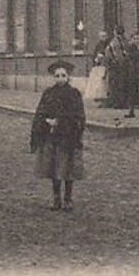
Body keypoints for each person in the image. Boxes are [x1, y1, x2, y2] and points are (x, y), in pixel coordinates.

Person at [30, 60, 86, 211]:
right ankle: (56, 198)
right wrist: (46, 121)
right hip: (52, 137)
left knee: (68, 169)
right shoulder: (48, 93)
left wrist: (61, 122)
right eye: (57, 76)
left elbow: (79, 116)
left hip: (68, 137)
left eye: (63, 75)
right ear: (53, 77)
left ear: (68, 77)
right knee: (54, 168)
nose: (60, 78)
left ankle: (68, 198)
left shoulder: (74, 94)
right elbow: (40, 112)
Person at [104, 27, 129, 111]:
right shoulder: (126, 41)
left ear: (115, 32)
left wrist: (110, 61)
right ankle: (124, 102)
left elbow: (109, 53)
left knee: (115, 84)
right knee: (123, 83)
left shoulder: (114, 42)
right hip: (124, 65)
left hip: (116, 66)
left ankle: (117, 102)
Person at [84, 30, 109, 106]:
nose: (103, 38)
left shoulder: (108, 45)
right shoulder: (98, 45)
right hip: (98, 66)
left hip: (105, 66)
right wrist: (96, 60)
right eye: (102, 36)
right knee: (97, 82)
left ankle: (104, 97)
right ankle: (98, 98)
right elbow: (95, 54)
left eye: (104, 36)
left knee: (103, 82)